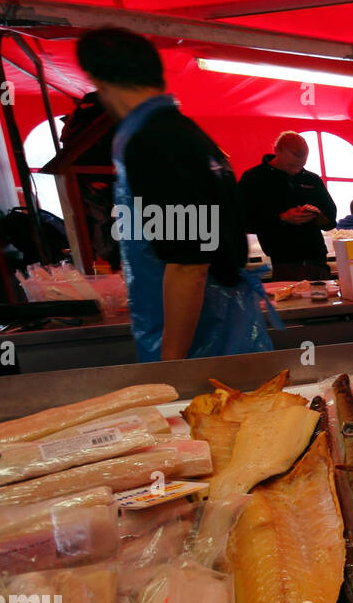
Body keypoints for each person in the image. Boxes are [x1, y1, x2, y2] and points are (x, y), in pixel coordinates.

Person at [76, 27, 275, 362]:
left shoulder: (157, 142)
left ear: (100, 80)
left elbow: (189, 264)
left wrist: (171, 364)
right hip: (220, 326)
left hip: (202, 340)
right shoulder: (188, 135)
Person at [239, 131, 337, 280]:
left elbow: (330, 220)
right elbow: (243, 220)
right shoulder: (254, 178)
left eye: (301, 165)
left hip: (317, 258)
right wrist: (282, 218)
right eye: (291, 165)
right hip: (283, 260)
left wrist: (318, 215)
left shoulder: (312, 179)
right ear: (277, 151)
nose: (296, 170)